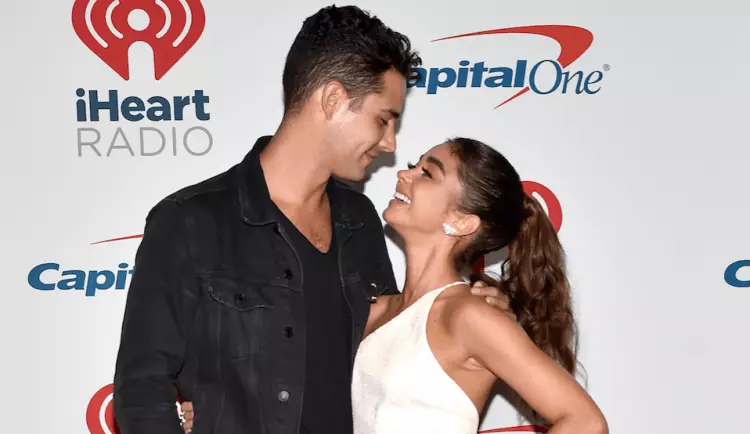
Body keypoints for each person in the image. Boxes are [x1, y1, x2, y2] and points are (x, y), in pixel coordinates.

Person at [112, 6, 512, 434]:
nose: (390, 144)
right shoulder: (189, 222)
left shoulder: (359, 222)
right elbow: (140, 393)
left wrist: (467, 306)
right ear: (333, 99)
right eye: (383, 120)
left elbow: (393, 351)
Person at [180, 138, 609, 434]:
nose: (404, 175)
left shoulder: (469, 316)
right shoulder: (373, 311)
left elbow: (584, 421)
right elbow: (279, 362)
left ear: (461, 221)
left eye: (428, 173)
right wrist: (206, 402)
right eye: (414, 166)